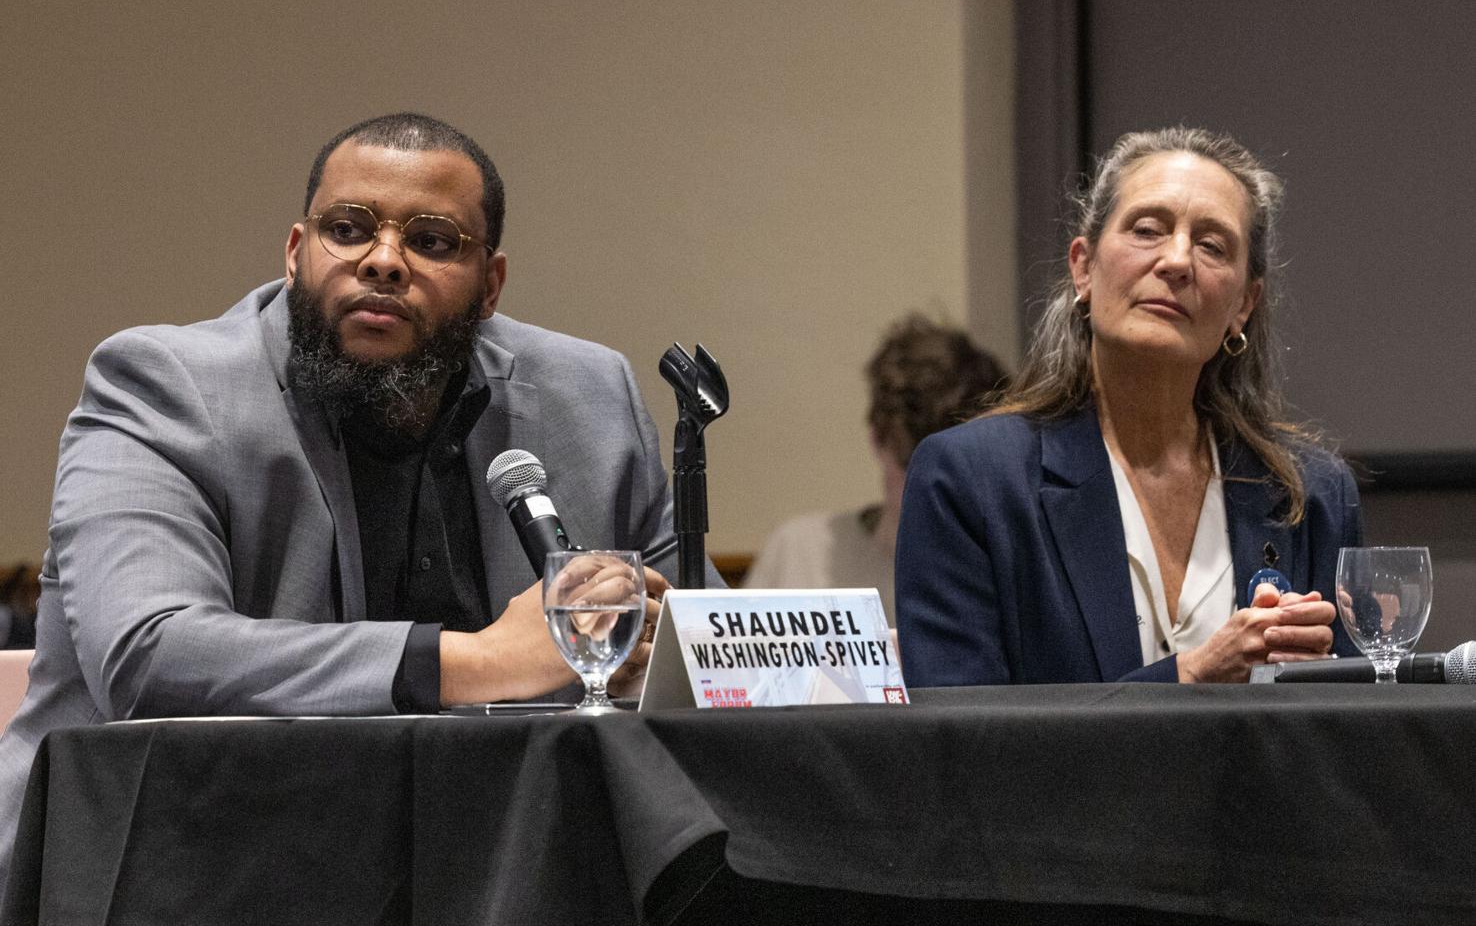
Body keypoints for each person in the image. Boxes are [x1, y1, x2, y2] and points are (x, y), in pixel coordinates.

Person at [0, 113, 711, 886]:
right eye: (349, 229)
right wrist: (475, 661)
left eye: (433, 241)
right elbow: (148, 652)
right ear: (298, 253)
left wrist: (643, 647)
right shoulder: (164, 385)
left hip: (496, 860)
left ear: (490, 287)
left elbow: (705, 641)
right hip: (186, 856)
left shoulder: (589, 394)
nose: (383, 261)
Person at [896, 127, 1359, 686]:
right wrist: (1188, 678)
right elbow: (961, 742)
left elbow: (1350, 733)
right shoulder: (970, 480)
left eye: (1212, 245)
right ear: (1083, 267)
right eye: (1147, 230)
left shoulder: (1311, 492)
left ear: (1244, 304)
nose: (1177, 260)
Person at [745, 314, 1005, 621]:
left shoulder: (1002, 574)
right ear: (876, 439)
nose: (932, 493)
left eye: (956, 475)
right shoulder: (797, 553)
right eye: (913, 467)